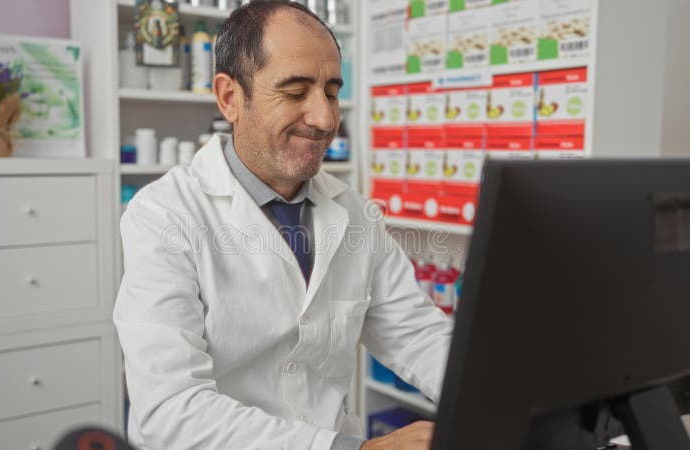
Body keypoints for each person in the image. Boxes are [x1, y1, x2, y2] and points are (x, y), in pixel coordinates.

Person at [113, 1, 452, 449]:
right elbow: (172, 410)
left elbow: (416, 333)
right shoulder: (163, 215)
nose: (325, 118)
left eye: (331, 92)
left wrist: (499, 396)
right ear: (230, 97)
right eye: (295, 93)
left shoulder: (353, 214)